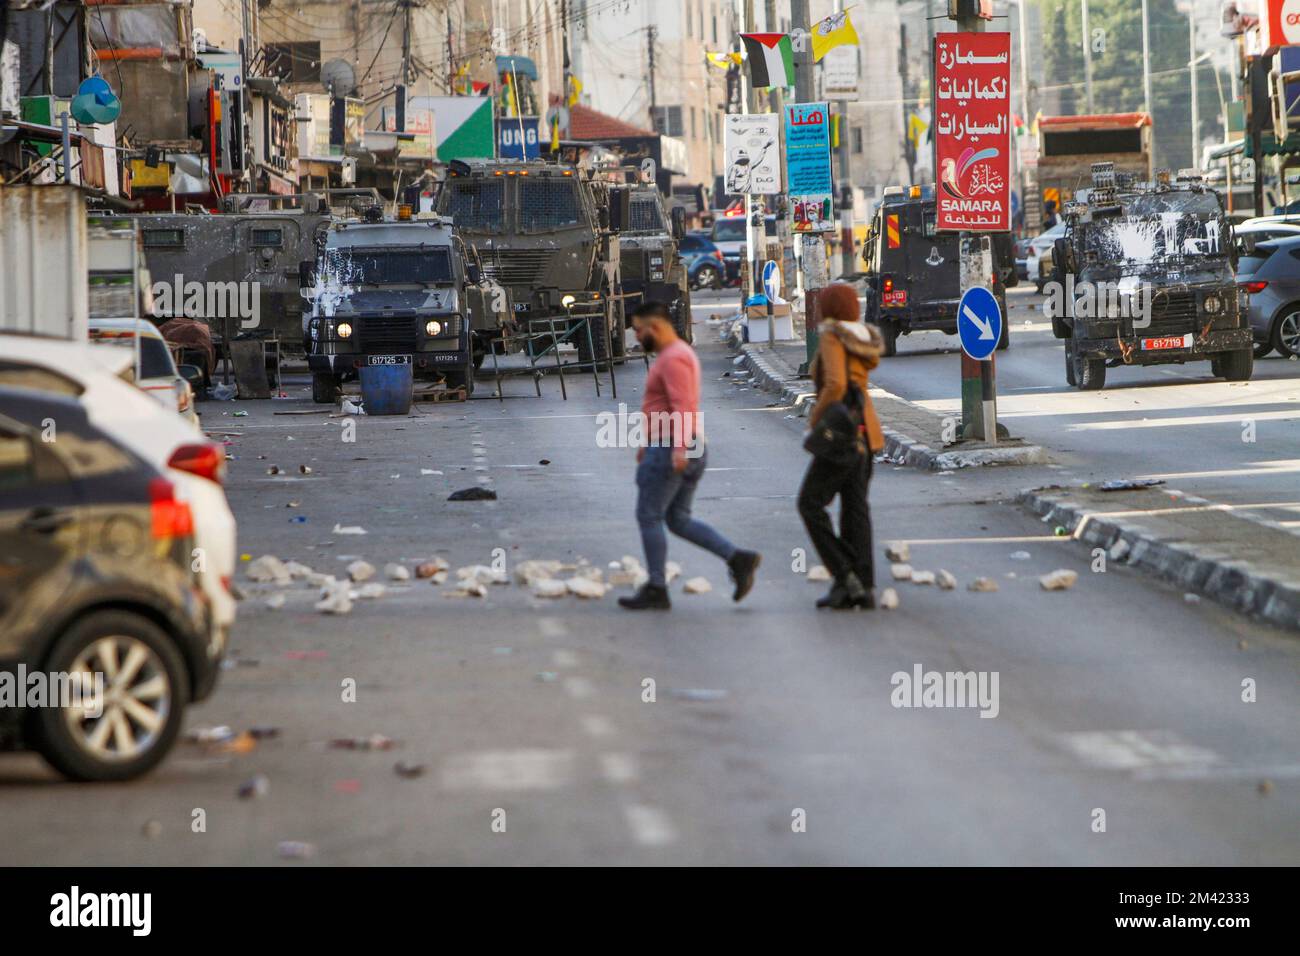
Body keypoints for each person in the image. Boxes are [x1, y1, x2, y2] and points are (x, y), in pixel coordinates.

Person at [619, 301, 761, 611]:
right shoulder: (676, 355)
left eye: (639, 331)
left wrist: (678, 448)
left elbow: (682, 406)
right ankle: (738, 560)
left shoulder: (673, 358)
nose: (637, 337)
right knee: (677, 519)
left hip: (674, 446)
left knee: (649, 516)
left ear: (654, 327)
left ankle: (657, 587)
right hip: (676, 444)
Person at [798, 283, 885, 610]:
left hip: (843, 432)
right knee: (855, 509)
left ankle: (844, 571)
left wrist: (814, 421)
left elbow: (834, 384)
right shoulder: (862, 336)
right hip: (867, 431)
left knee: (809, 503)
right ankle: (861, 586)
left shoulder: (833, 336)